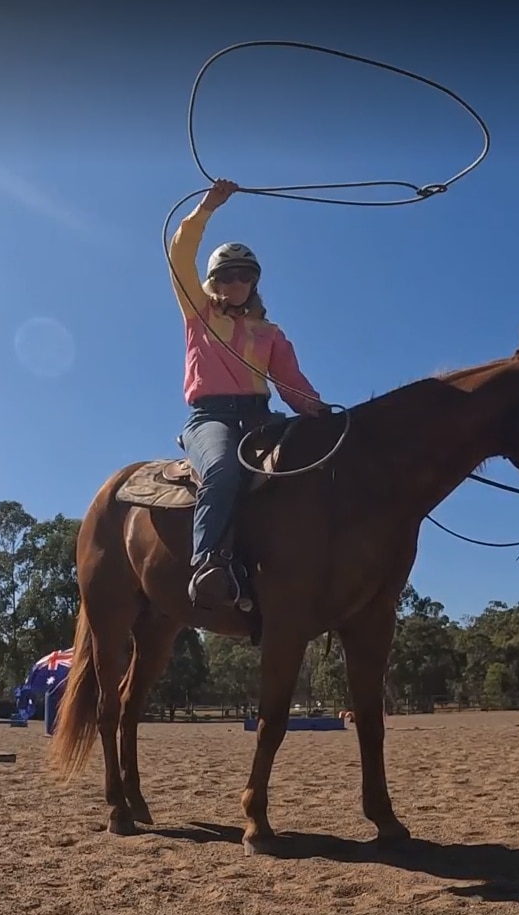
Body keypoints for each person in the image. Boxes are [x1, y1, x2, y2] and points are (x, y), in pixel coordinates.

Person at [168, 178, 325, 611]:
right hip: (210, 418)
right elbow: (180, 254)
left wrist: (318, 411)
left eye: (245, 275)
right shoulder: (198, 314)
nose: (236, 282)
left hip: (260, 416)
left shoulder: (269, 333)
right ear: (213, 281)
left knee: (315, 458)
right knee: (222, 468)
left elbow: (292, 383)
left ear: (254, 282)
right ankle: (208, 562)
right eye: (227, 275)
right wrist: (207, 207)